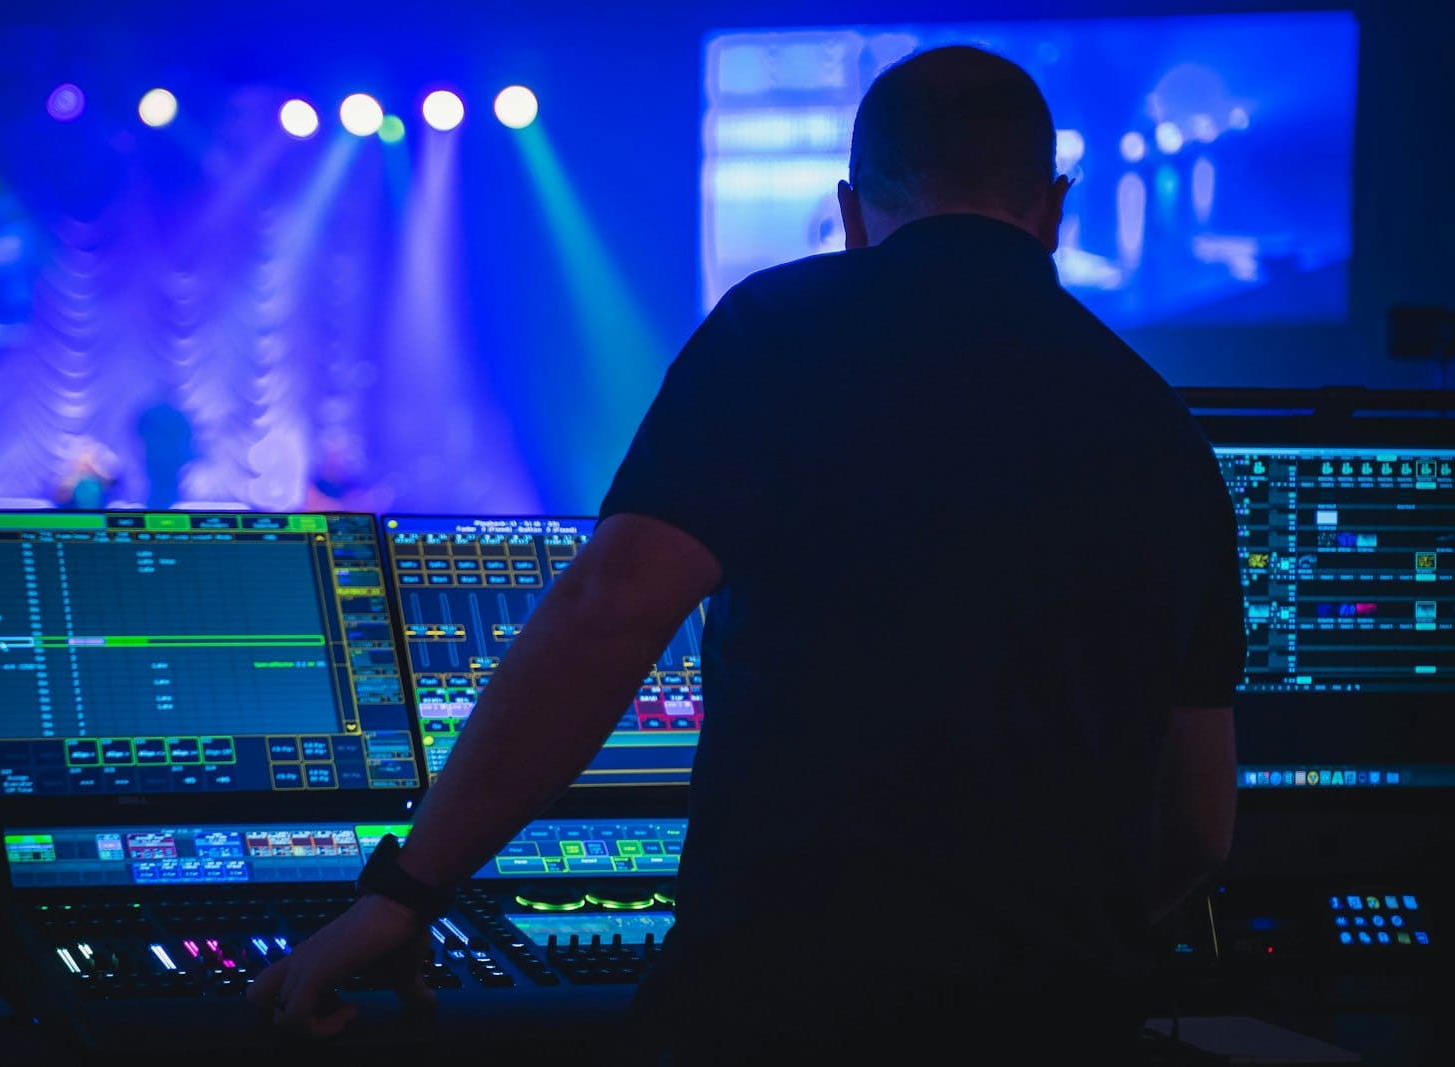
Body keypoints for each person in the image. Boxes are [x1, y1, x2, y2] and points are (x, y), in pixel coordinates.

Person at [247, 44, 1247, 1064]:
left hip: (784, 1007)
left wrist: (406, 891)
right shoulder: (1159, 428)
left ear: (850, 213)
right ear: (1055, 210)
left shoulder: (779, 331)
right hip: (1062, 1025)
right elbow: (1199, 828)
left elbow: (611, 610)